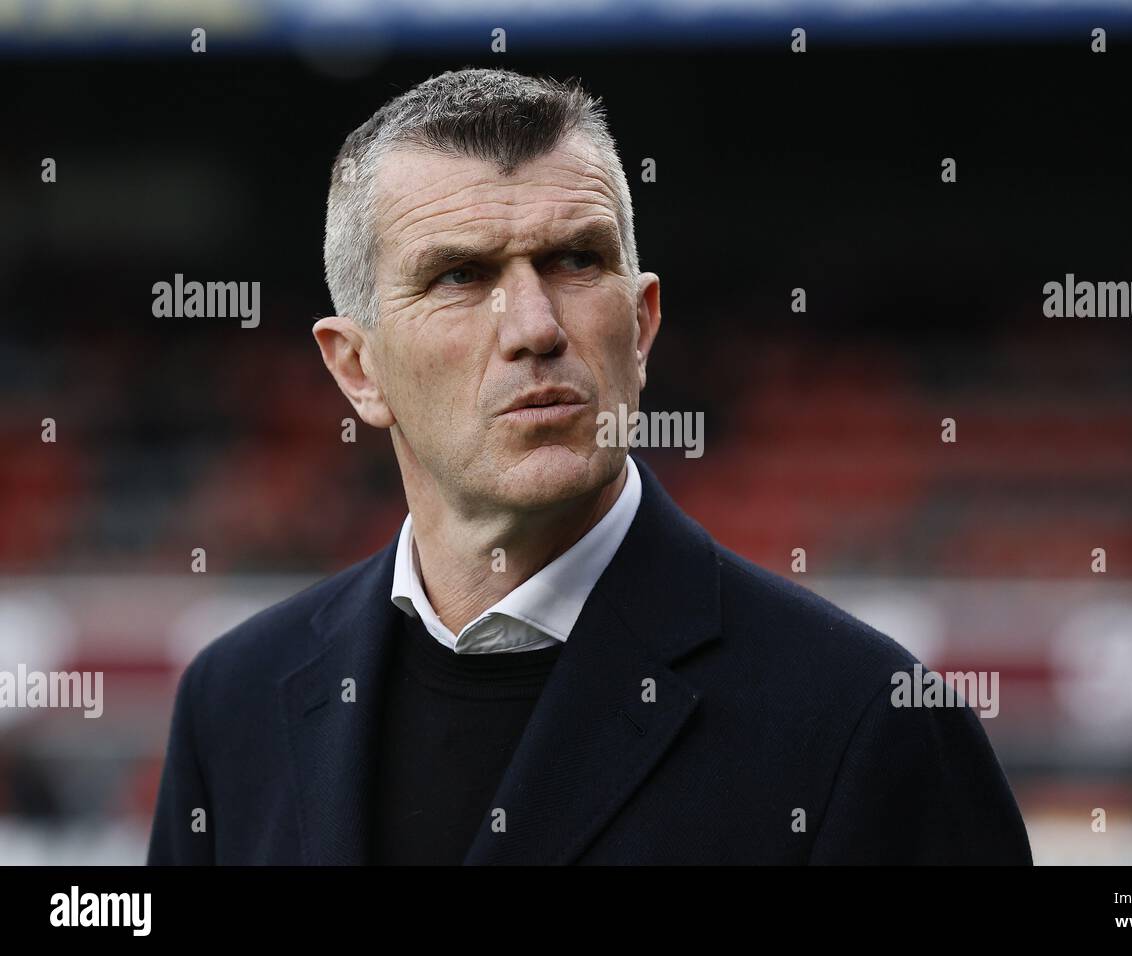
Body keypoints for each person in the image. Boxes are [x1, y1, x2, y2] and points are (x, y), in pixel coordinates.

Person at [147, 67, 1032, 865]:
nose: (535, 326)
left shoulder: (865, 721)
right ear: (356, 368)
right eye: (459, 275)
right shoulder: (234, 706)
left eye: (576, 260)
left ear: (642, 325)